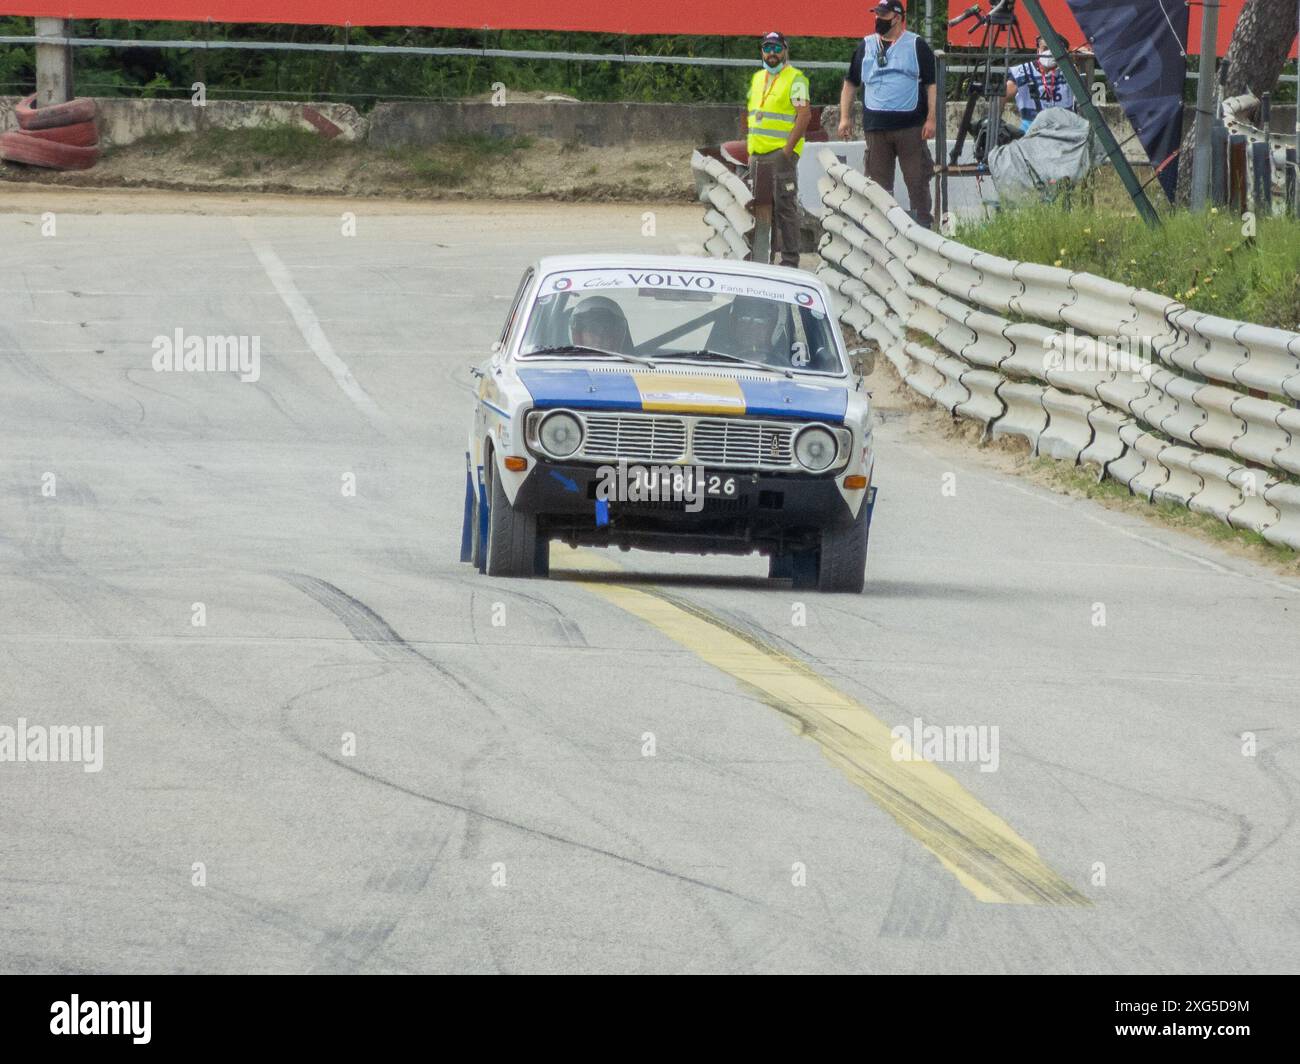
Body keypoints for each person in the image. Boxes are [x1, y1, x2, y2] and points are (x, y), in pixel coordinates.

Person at [837, 1, 937, 229]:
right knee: (878, 184)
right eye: (877, 14)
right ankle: (881, 230)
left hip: (911, 126)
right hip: (875, 126)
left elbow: (931, 84)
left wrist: (931, 119)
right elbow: (851, 83)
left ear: (897, 17)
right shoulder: (866, 45)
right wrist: (845, 117)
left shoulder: (916, 45)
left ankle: (923, 228)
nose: (878, 19)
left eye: (883, 14)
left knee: (917, 180)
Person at [746, 31, 812, 268]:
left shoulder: (797, 80)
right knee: (759, 209)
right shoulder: (757, 78)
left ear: (785, 50)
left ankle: (790, 259)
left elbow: (804, 116)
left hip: (779, 155)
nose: (771, 53)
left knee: (784, 208)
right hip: (757, 154)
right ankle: (764, 257)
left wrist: (787, 151)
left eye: (776, 48)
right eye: (767, 48)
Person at [1006, 36, 1076, 134]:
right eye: (1045, 49)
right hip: (1030, 133)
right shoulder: (1022, 71)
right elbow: (1002, 96)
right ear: (1038, 50)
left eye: (1055, 49)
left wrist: (1080, 61)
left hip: (1063, 134)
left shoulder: (1070, 71)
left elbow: (1088, 93)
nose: (1049, 53)